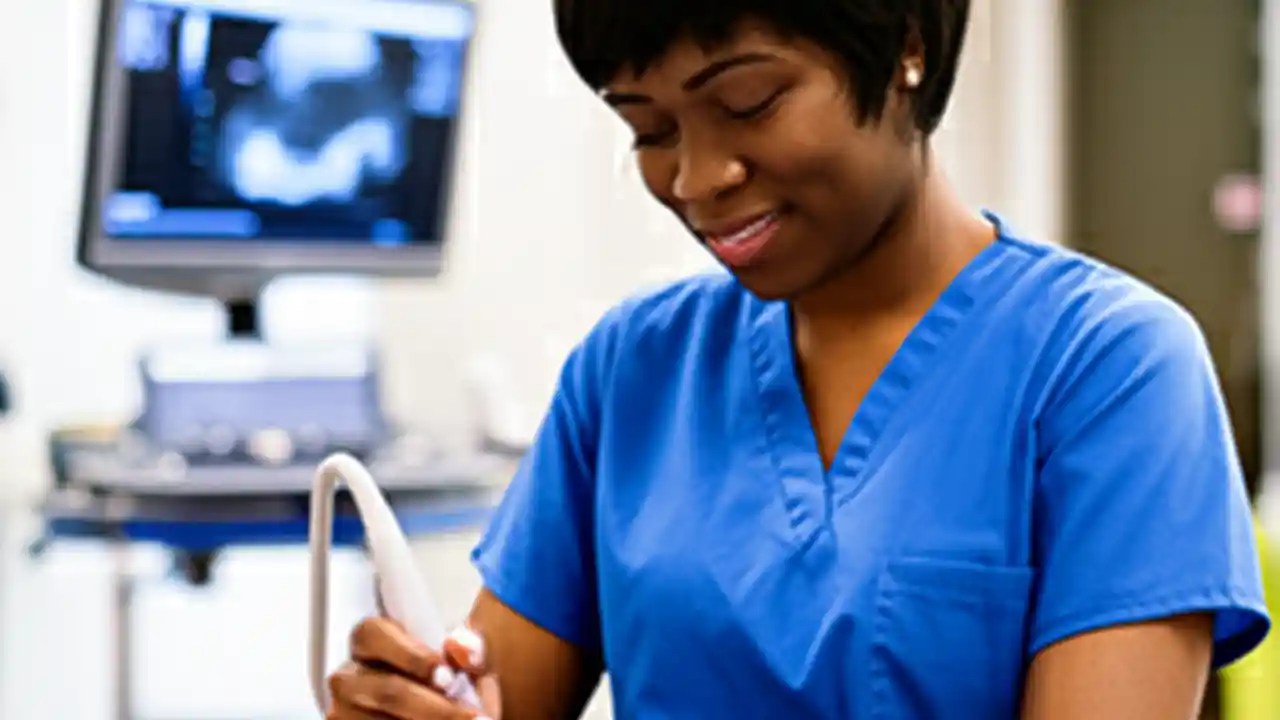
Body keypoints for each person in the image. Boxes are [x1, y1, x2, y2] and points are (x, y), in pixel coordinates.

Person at [325, 0, 1271, 717]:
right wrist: (411, 701)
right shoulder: (632, 372)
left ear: (906, 45)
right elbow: (494, 695)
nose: (697, 178)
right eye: (650, 130)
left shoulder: (1109, 370)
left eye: (749, 103)